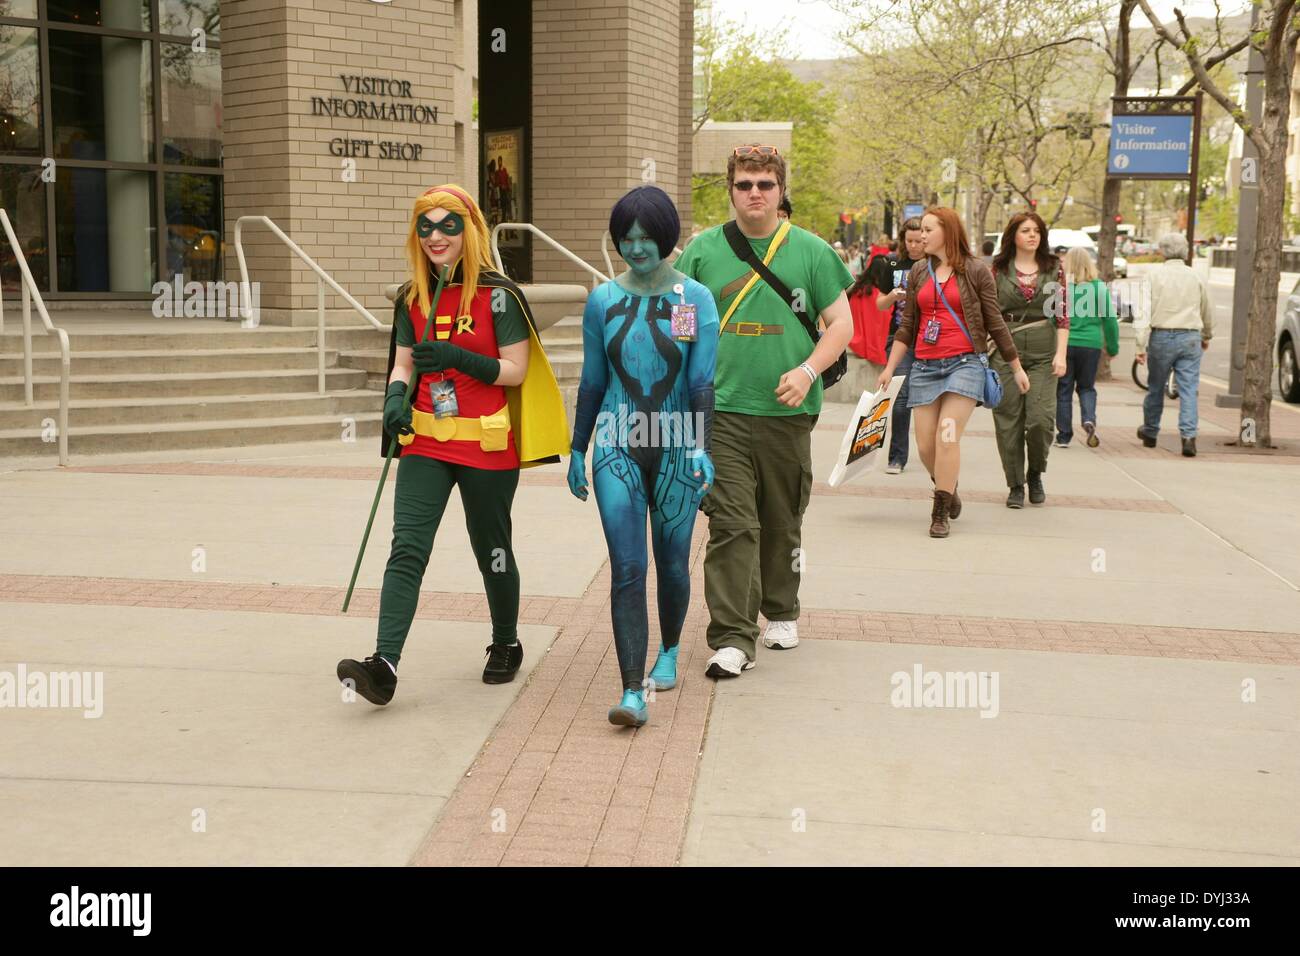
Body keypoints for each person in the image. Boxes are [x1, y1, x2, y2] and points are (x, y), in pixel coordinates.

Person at [336, 184, 568, 705]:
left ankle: (506, 641)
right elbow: (402, 364)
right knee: (407, 547)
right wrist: (394, 401)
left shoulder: (499, 294)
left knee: (493, 550)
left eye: (448, 225)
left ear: (469, 231)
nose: (436, 236)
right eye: (426, 226)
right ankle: (384, 663)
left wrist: (459, 358)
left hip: (485, 446)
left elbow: (514, 371)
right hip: (425, 441)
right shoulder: (411, 297)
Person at [675, 143, 853, 678]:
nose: (755, 193)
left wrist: (807, 371)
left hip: (787, 413)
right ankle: (731, 636)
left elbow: (841, 325)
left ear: (780, 191)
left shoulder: (812, 251)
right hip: (719, 410)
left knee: (782, 517)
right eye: (744, 184)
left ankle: (781, 608)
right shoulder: (702, 251)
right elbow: (681, 324)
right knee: (731, 521)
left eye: (765, 184)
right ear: (730, 190)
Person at [567, 186, 718, 727]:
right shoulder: (603, 300)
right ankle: (632, 690)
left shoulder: (693, 299)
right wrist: (577, 448)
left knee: (672, 564)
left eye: (646, 236)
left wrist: (702, 445)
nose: (636, 247)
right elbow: (591, 380)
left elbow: (701, 380)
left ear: (666, 236)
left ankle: (671, 649)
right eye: (626, 238)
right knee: (628, 568)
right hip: (616, 441)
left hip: (678, 442)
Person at [875, 207, 1029, 536]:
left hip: (964, 364)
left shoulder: (976, 271)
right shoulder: (919, 271)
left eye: (929, 230)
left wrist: (1015, 366)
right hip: (925, 366)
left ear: (948, 231)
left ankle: (940, 509)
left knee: (947, 434)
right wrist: (889, 367)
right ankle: (949, 486)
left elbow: (995, 322)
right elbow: (907, 326)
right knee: (926, 447)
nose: (922, 236)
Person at [989, 212, 1069, 508]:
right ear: (1014, 236)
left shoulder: (1054, 268)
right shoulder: (997, 268)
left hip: (1043, 352)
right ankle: (1015, 484)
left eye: (1037, 230)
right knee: (1008, 419)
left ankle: (1035, 472)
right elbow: (989, 312)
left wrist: (1061, 354)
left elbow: (1063, 314)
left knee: (1040, 419)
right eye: (1026, 230)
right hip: (1005, 351)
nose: (1032, 235)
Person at [1134, 232, 1213, 457]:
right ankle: (1188, 437)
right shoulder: (1197, 276)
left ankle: (1150, 431)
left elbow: (1143, 313)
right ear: (1186, 251)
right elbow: (1207, 308)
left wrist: (1140, 346)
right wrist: (1206, 334)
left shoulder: (1153, 276)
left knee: (1156, 387)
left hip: (1162, 336)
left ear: (1162, 251)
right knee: (1188, 388)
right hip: (1190, 337)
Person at [869, 216, 925, 473]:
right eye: (909, 241)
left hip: (929, 338)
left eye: (918, 240)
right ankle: (897, 457)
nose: (914, 246)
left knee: (927, 399)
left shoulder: (935, 264)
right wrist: (892, 295)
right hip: (899, 336)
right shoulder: (892, 264)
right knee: (900, 397)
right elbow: (879, 304)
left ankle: (932, 453)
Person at [1055, 247, 1119, 448]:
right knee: (1087, 387)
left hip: (1066, 344)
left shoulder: (1061, 289)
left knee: (1064, 389)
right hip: (1091, 345)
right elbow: (1110, 320)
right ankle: (1089, 419)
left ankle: (1064, 435)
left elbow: (1052, 319)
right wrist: (1113, 347)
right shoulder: (1099, 288)